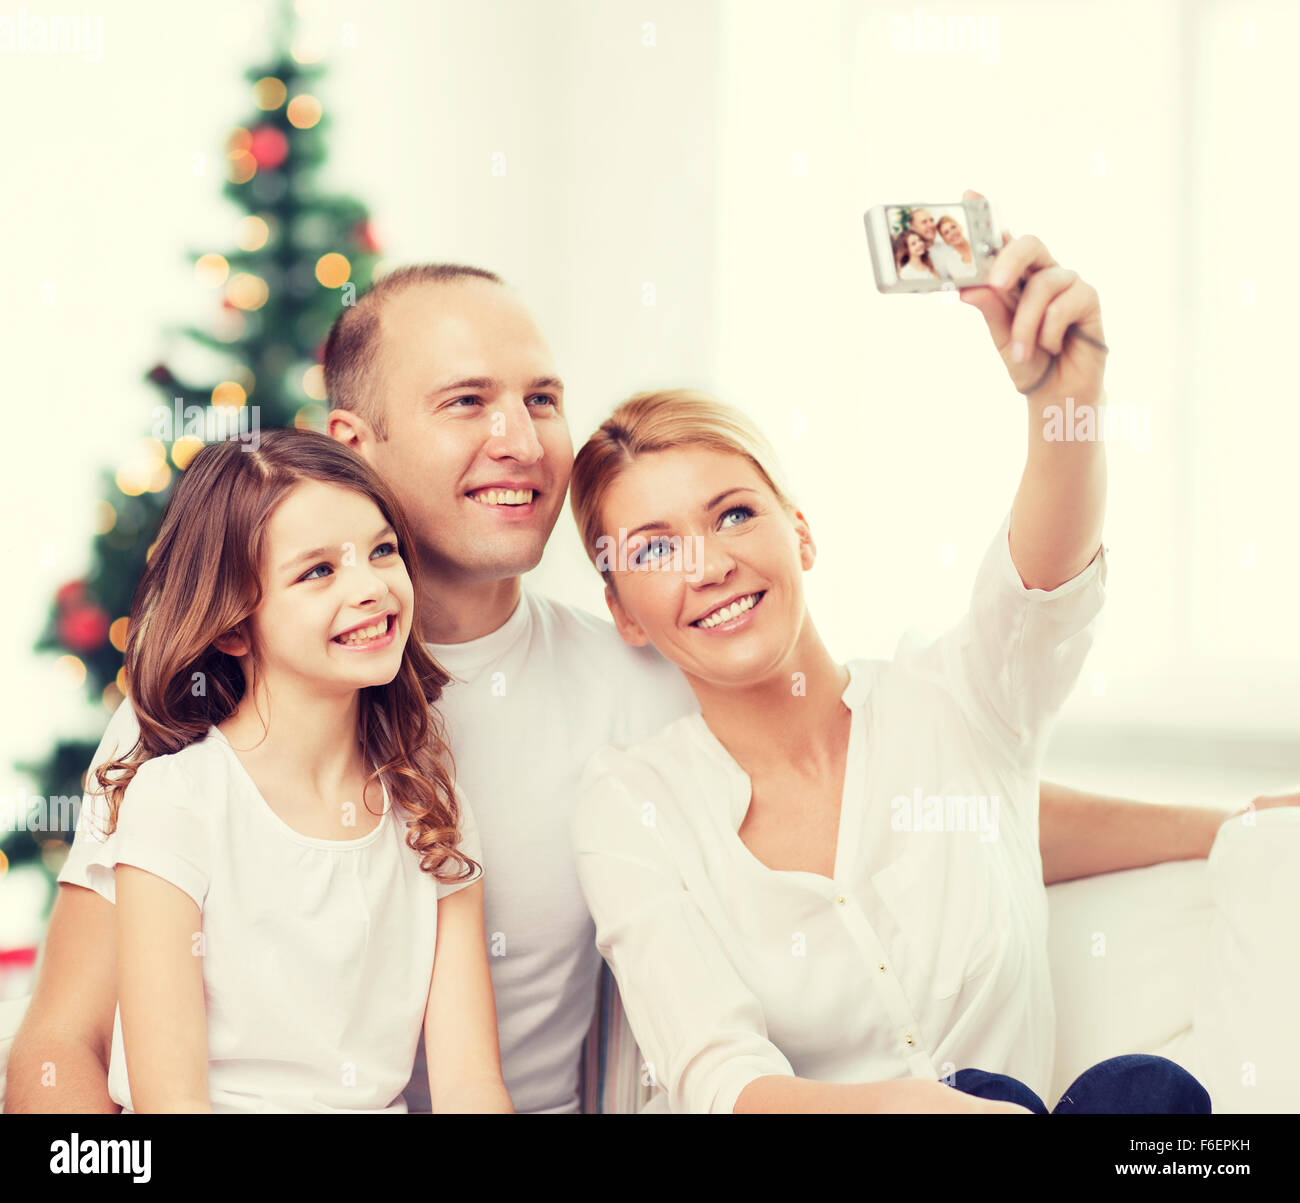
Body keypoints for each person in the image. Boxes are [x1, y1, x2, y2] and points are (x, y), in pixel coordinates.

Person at [6, 256, 1270, 1115]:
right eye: (465, 403)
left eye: (541, 397)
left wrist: (1234, 829)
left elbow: (924, 801)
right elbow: (58, 1046)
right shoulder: (204, 731)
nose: (519, 440)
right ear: (356, 444)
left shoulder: (646, 673)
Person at [567, 216, 1212, 1113]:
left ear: (801, 532)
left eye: (734, 515)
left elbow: (1042, 588)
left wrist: (1064, 404)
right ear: (623, 613)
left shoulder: (956, 704)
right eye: (654, 548)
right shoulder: (632, 805)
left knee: (1151, 1104)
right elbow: (722, 1078)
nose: (708, 565)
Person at [91, 429, 508, 1112]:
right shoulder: (178, 803)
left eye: (382, 551)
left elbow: (471, 1084)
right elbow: (173, 1104)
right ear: (233, 626)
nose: (370, 587)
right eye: (317, 571)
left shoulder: (433, 806)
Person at [907, 207, 963, 279]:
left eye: (931, 220)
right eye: (924, 222)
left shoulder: (949, 248)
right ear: (913, 228)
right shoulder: (912, 258)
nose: (931, 225)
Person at [936, 214, 979, 279]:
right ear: (945, 240)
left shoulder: (978, 244)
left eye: (953, 227)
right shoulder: (951, 263)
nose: (952, 233)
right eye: (946, 232)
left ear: (960, 227)